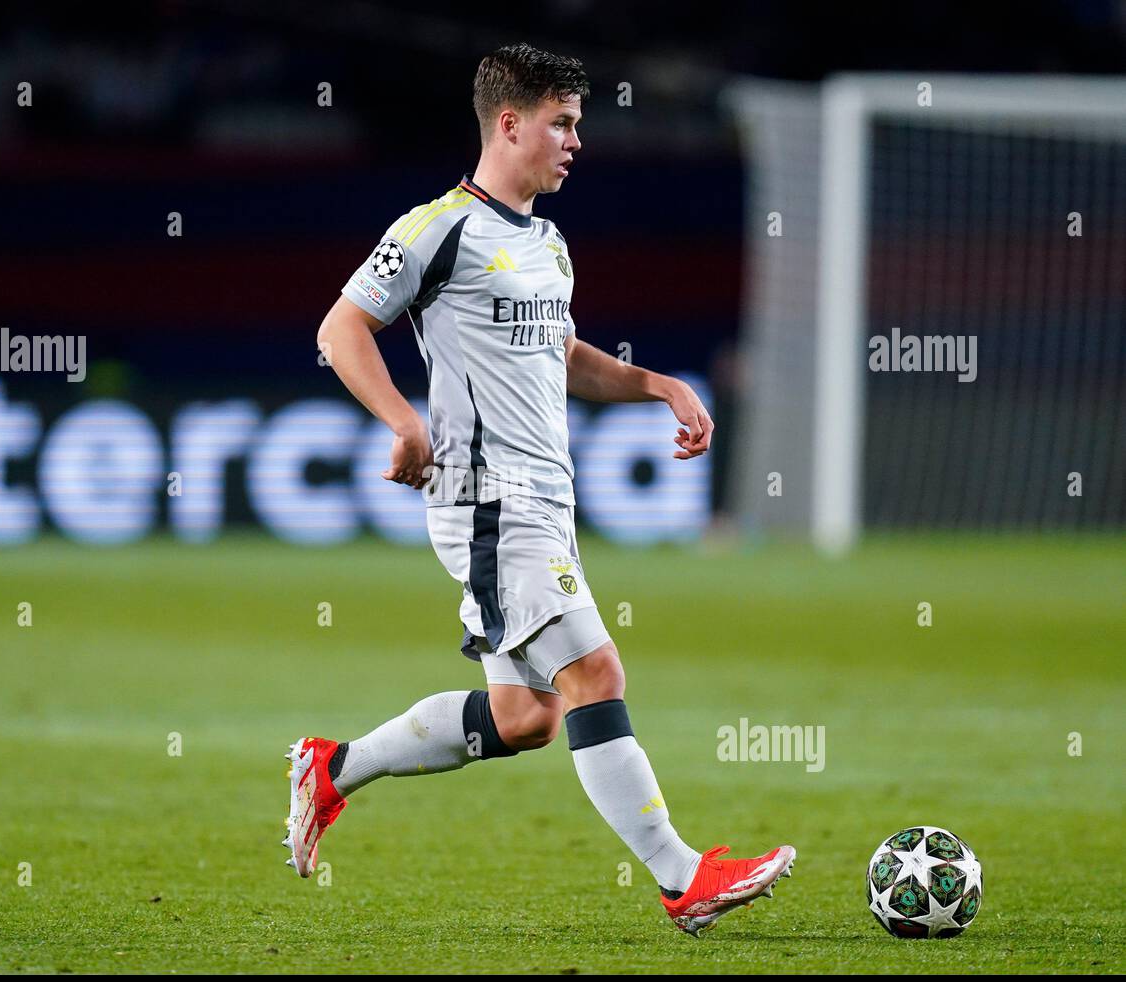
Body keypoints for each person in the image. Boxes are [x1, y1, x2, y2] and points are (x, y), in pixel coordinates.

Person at [285, 42, 794, 935]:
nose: (575, 142)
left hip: (544, 505)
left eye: (577, 125)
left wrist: (660, 386)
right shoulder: (436, 228)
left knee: (526, 717)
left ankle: (333, 767)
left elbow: (561, 357)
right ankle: (683, 877)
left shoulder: (547, 243)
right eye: (562, 123)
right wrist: (405, 422)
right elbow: (340, 329)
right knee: (597, 670)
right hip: (488, 501)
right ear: (510, 124)